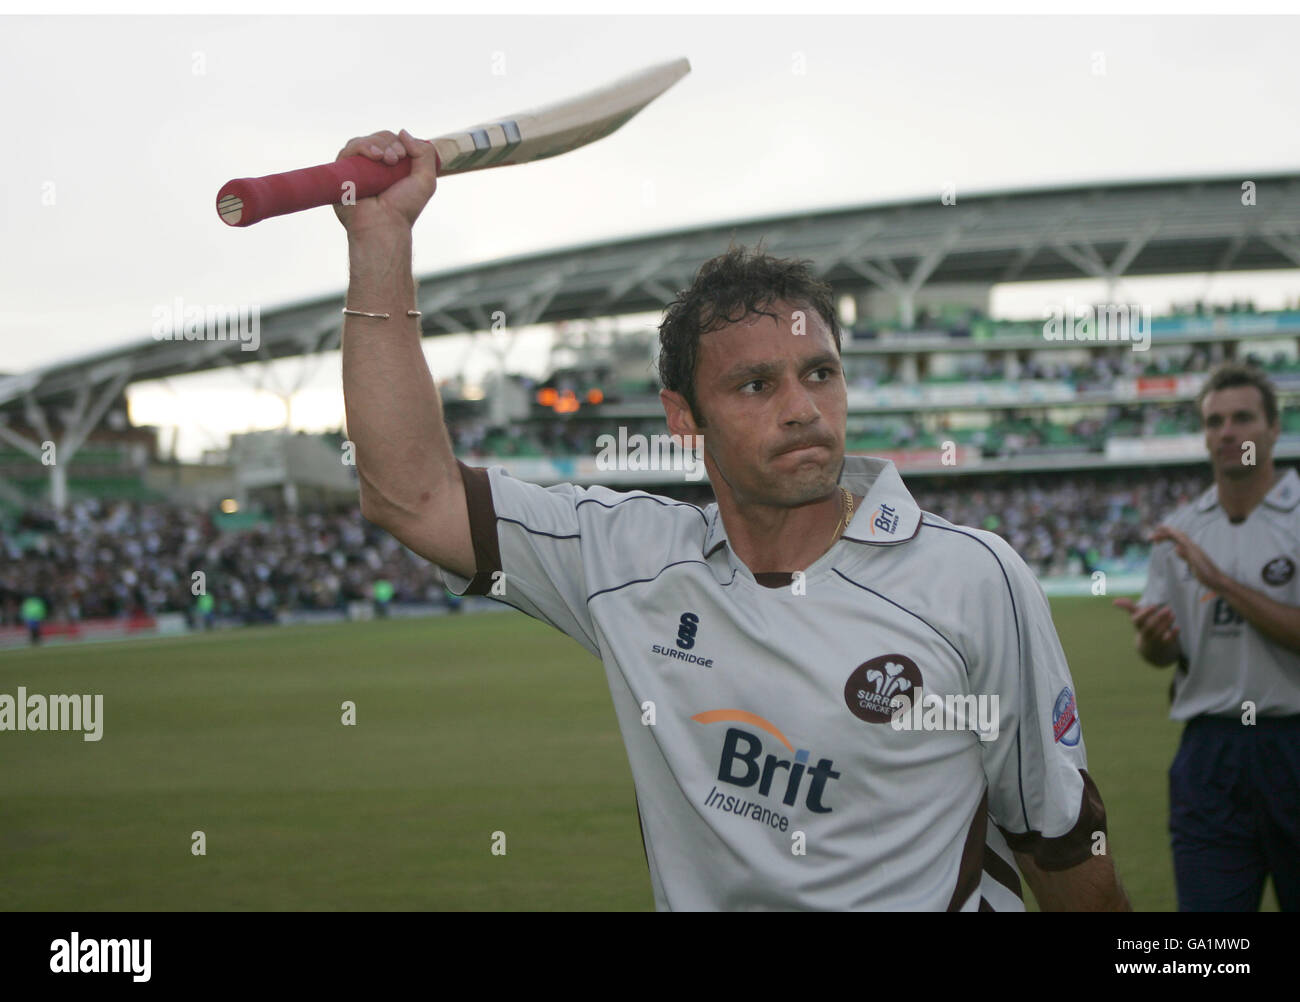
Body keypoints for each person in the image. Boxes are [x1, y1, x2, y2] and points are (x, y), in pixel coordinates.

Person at [337, 127, 1129, 911]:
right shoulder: (626, 560)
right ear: (683, 418)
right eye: (755, 386)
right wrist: (382, 239)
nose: (802, 409)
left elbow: (1060, 847)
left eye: (820, 373)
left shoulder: (970, 578)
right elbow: (412, 494)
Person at [1115, 362, 1300, 911]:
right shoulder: (1180, 531)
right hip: (1209, 753)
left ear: (1273, 428)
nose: (1227, 432)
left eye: (1243, 417)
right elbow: (1164, 653)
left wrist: (1217, 581)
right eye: (1215, 421)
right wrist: (1153, 641)